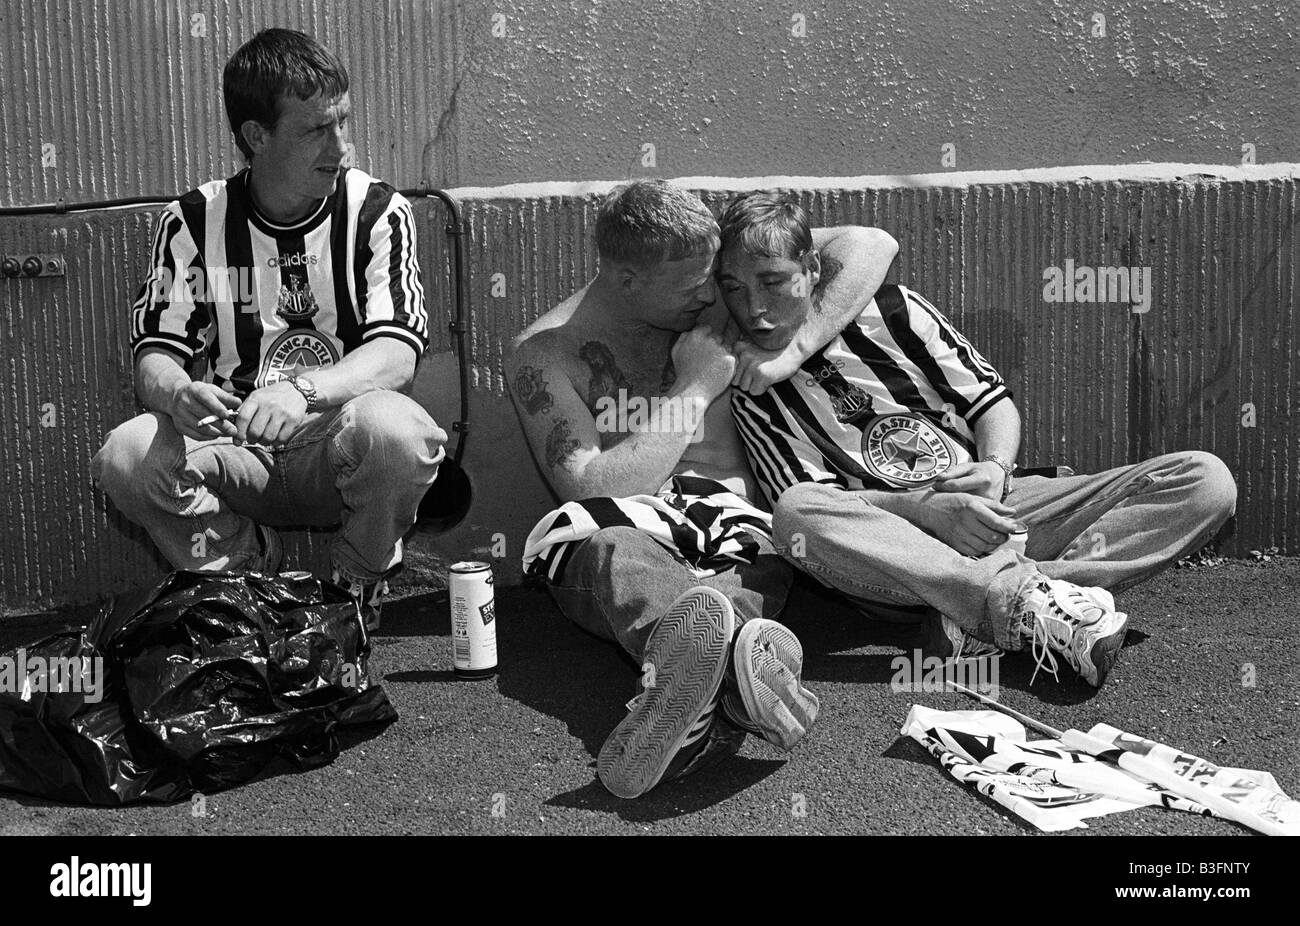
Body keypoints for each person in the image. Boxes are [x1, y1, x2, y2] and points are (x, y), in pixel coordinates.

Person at [718, 192, 1237, 688]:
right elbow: (815, 503)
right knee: (795, 513)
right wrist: (928, 510)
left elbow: (992, 404)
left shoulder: (895, 311)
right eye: (734, 289)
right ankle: (1027, 602)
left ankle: (987, 606)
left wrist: (993, 468)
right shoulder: (750, 387)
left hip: (1000, 512)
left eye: (772, 281)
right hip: (901, 553)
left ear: (811, 270)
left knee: (1204, 481)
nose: (754, 309)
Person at [511, 180, 899, 798]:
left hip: (733, 525)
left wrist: (792, 351)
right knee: (617, 552)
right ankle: (736, 679)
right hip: (624, 528)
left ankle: (692, 695)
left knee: (760, 561)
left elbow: (870, 244)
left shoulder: (715, 280)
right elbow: (586, 489)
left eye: (713, 273)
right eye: (694, 283)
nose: (717, 291)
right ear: (628, 279)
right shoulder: (546, 355)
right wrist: (694, 387)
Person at [91, 28, 446, 629]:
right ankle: (248, 582)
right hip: (237, 441)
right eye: (317, 130)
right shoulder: (195, 220)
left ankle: (355, 586)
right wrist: (179, 394)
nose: (344, 148)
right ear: (256, 137)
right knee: (127, 455)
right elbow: (154, 354)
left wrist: (301, 391)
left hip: (335, 443)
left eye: (344, 123)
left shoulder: (378, 211)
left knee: (398, 432)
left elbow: (397, 351)